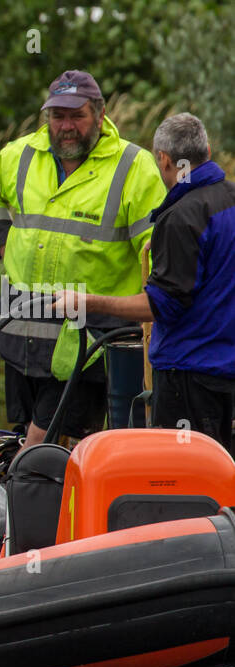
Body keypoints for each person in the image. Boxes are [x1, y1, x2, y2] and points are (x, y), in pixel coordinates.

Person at [0, 69, 166, 445]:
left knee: (44, 448)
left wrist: (157, 307)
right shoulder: (23, 153)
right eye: (57, 116)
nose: (66, 126)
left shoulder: (132, 167)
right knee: (29, 448)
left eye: (77, 115)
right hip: (21, 335)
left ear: (101, 113)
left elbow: (155, 249)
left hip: (88, 342)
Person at [54, 113, 235, 450]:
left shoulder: (181, 217)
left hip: (189, 377)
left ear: (163, 160)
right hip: (226, 374)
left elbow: (158, 305)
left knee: (187, 486)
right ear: (207, 150)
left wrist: (89, 302)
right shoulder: (228, 200)